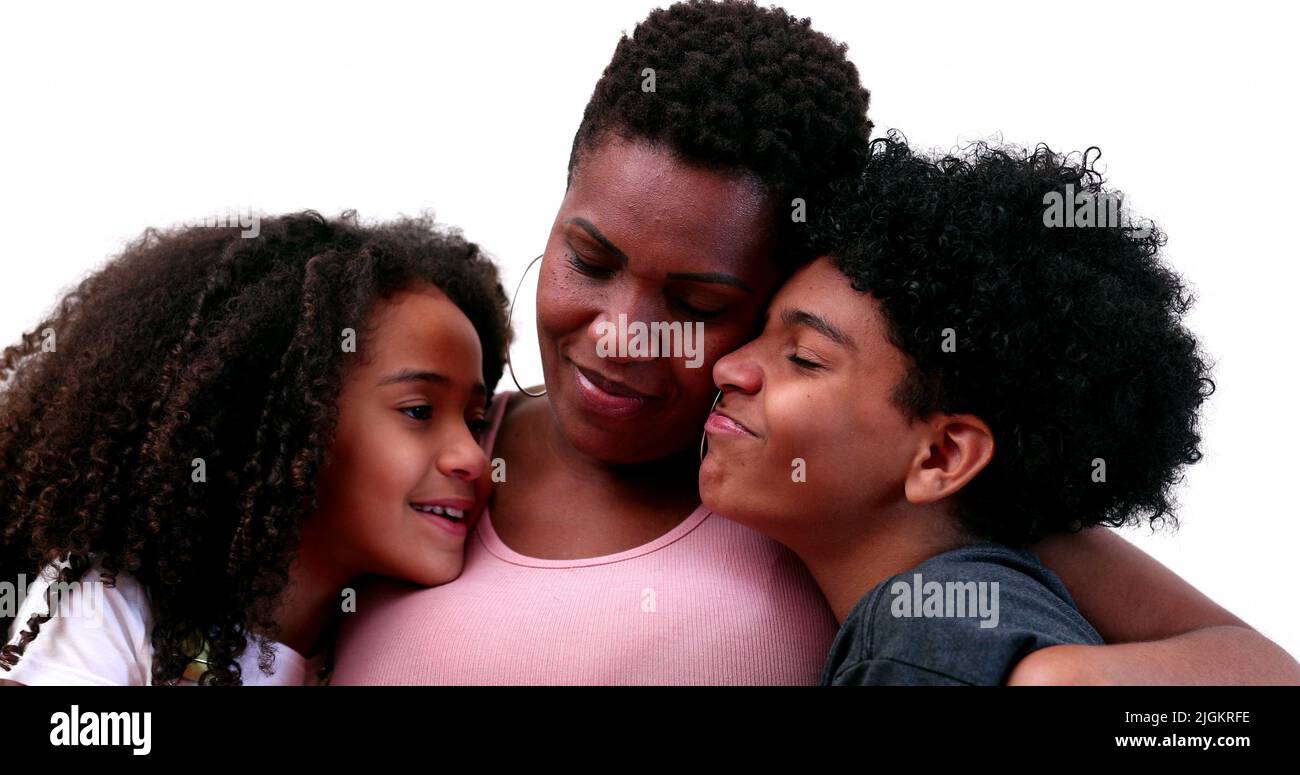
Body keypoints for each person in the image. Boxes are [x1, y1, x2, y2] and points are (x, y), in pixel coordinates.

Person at [331, 0, 1300, 685]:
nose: (619, 334)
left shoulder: (834, 489)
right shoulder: (425, 456)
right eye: (587, 256)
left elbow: (1257, 673)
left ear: (776, 293)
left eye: (699, 300)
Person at [700, 136, 1208, 684]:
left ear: (942, 456)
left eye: (804, 358)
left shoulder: (923, 645)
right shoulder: (979, 618)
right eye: (759, 333)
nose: (728, 367)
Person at [0, 211, 510, 685]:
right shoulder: (113, 607)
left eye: (476, 421)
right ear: (294, 417)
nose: (471, 457)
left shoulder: (370, 638)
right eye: (419, 411)